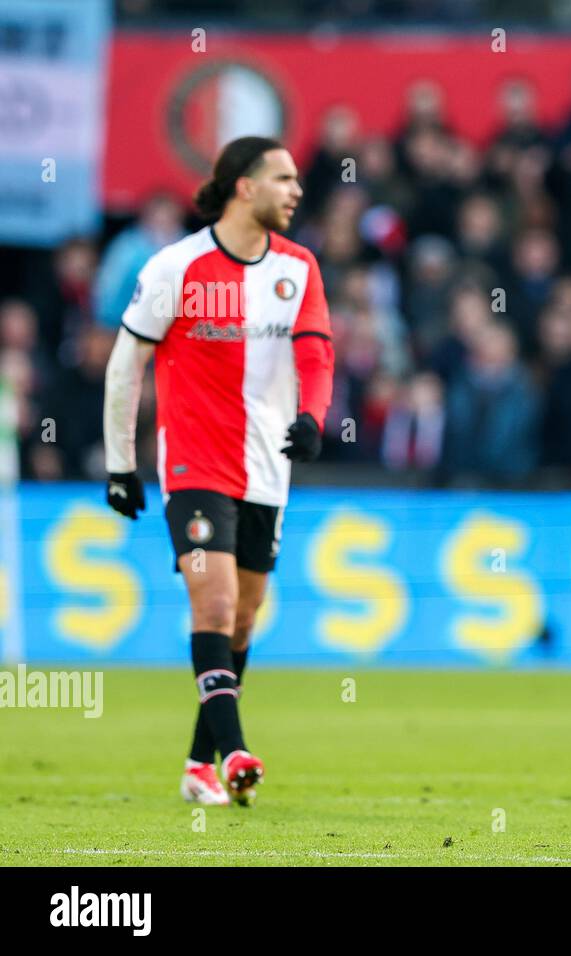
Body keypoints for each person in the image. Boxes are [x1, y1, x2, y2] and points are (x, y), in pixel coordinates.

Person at [102, 137, 334, 807]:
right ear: (243, 186)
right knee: (216, 601)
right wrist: (121, 464)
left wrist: (313, 419)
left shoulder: (299, 268)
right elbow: (126, 364)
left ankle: (198, 765)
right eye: (283, 178)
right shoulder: (175, 267)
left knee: (243, 620)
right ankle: (235, 753)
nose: (296, 190)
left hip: (267, 468)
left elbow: (316, 357)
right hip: (195, 463)